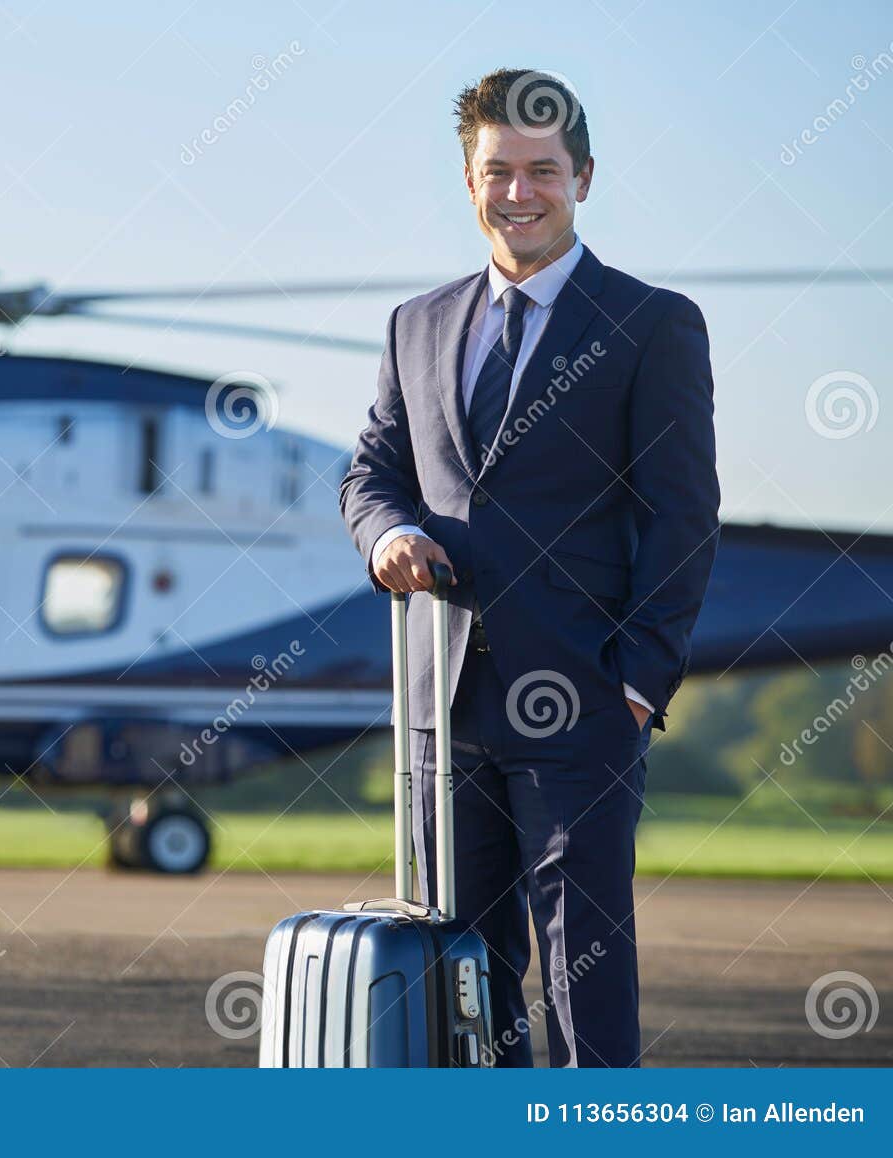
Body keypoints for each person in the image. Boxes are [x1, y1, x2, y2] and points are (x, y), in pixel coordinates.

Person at [338, 68, 719, 1067]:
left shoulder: (651, 324)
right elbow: (372, 470)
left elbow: (683, 516)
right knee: (467, 973)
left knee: (582, 968)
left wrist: (637, 681)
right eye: (496, 171)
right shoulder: (415, 326)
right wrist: (385, 536)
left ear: (582, 178)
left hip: (582, 697)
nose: (518, 192)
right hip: (442, 702)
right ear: (467, 182)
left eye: (541, 171)